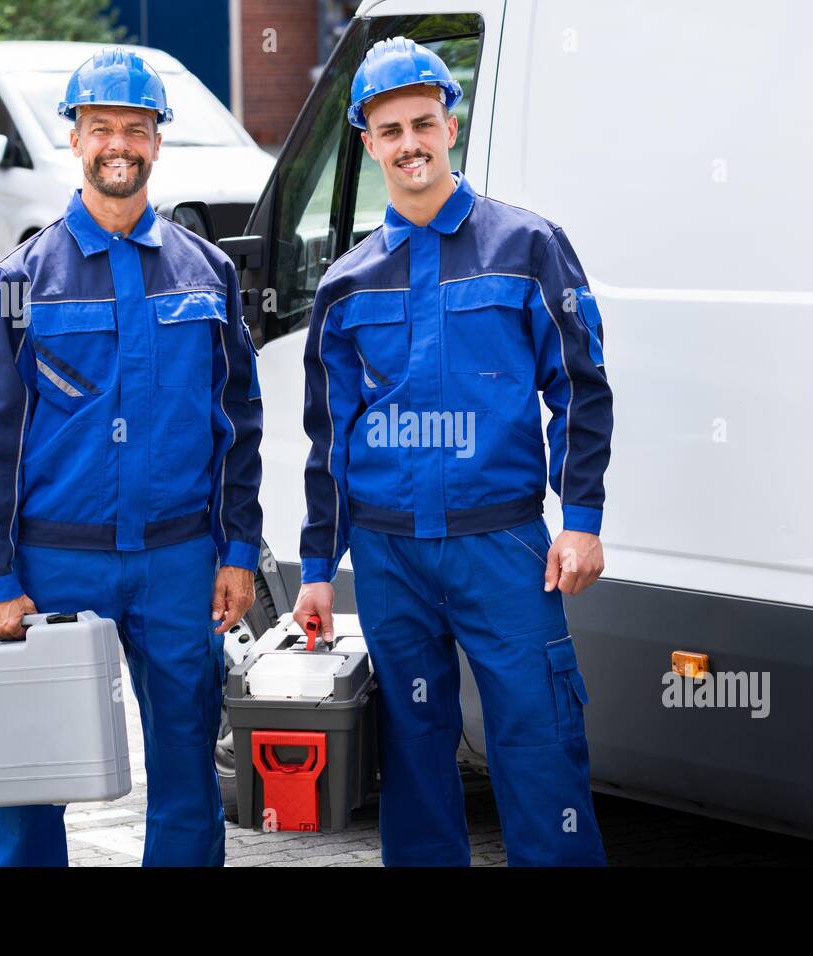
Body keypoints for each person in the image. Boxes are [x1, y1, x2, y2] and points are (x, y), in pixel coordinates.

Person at [292, 37, 613, 866]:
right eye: (390, 130)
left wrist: (580, 520)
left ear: (450, 123)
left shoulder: (528, 246)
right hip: (391, 555)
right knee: (413, 758)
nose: (410, 144)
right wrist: (320, 571)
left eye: (423, 123)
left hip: (503, 548)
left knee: (538, 744)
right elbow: (329, 440)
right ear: (367, 144)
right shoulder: (347, 284)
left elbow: (578, 388)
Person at [0, 48, 263, 866]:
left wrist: (238, 548)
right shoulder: (17, 281)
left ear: (158, 142)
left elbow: (239, 419)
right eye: (102, 128)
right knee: (28, 776)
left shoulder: (209, 272)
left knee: (186, 768)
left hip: (179, 563)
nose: (119, 145)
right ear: (76, 139)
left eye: (137, 128)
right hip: (57, 565)